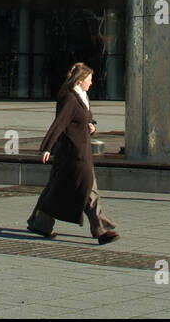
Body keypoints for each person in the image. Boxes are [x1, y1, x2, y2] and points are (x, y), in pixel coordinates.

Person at [27, 62, 118, 244]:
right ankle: (100, 230)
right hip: (74, 153)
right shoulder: (69, 98)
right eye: (90, 80)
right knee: (89, 188)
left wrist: (91, 127)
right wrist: (46, 147)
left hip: (78, 150)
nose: (92, 83)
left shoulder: (82, 96)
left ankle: (40, 223)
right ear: (81, 80)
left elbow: (81, 121)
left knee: (57, 187)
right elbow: (59, 124)